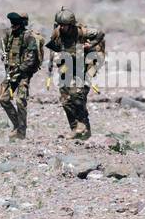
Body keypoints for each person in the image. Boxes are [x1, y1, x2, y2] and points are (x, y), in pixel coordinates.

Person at [45, 8, 105, 140]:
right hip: (67, 68)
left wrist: (91, 45)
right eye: (60, 24)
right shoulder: (57, 32)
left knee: (78, 97)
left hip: (83, 67)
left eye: (64, 25)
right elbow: (53, 47)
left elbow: (101, 33)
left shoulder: (82, 32)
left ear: (71, 24)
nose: (62, 27)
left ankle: (85, 127)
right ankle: (75, 128)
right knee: (66, 101)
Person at [0, 11, 44, 140]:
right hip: (11, 72)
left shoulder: (28, 37)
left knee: (20, 101)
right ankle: (17, 125)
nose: (13, 26)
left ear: (22, 24)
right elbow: (5, 49)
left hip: (23, 74)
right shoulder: (9, 35)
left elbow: (31, 58)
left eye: (16, 24)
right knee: (3, 98)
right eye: (12, 24)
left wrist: (19, 70)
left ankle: (21, 132)